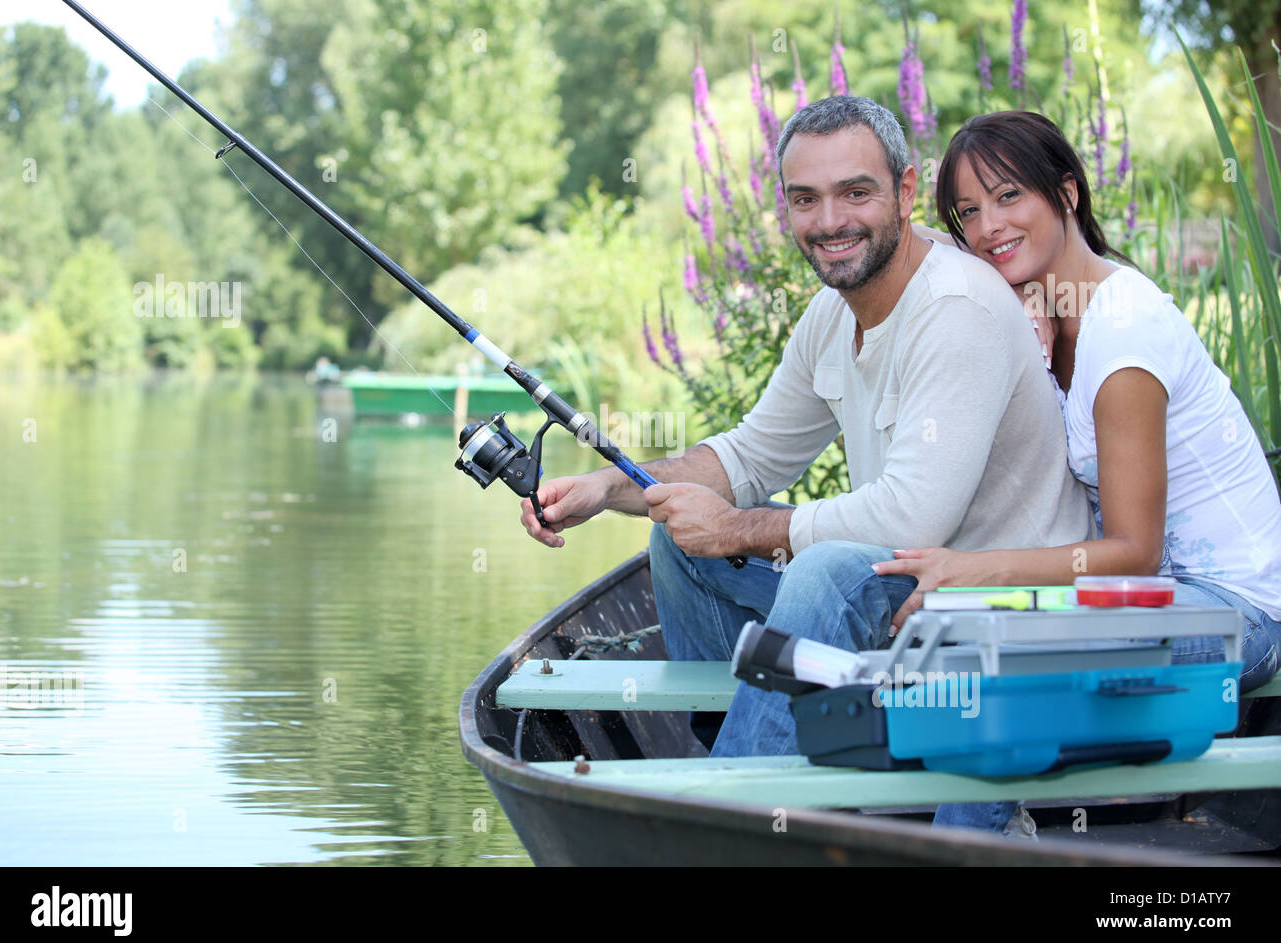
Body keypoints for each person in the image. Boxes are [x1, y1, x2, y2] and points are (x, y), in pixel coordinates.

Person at [520, 96, 1092, 773]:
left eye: (856, 193)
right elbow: (750, 455)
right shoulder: (832, 314)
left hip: (1004, 613)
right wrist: (605, 487)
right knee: (679, 547)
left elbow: (913, 518)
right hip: (908, 601)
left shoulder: (954, 308)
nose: (830, 222)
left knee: (826, 571)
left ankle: (739, 800)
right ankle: (760, 755)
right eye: (805, 199)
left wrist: (738, 528)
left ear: (906, 191)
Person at [872, 110, 1281, 831]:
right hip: (1154, 598)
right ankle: (970, 829)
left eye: (1007, 198)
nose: (987, 227)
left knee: (1013, 658)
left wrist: (974, 570)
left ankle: (974, 839)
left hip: (1235, 612)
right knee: (966, 640)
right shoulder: (1053, 313)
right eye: (967, 212)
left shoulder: (1123, 332)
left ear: (1065, 193)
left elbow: (1133, 552)